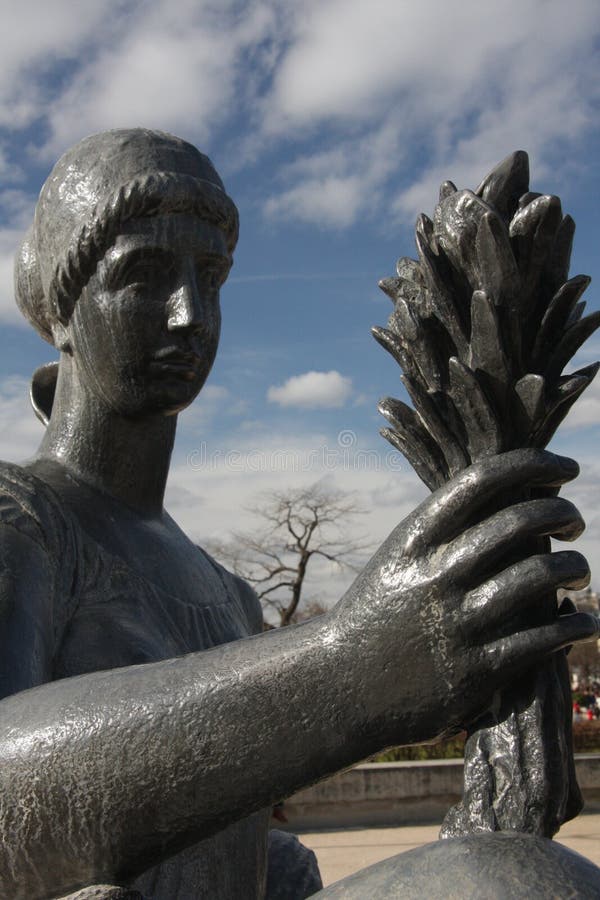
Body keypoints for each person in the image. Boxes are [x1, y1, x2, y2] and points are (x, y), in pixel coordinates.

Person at [0, 129, 596, 899]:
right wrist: (353, 667)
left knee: (518, 878)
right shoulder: (23, 520)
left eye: (210, 277)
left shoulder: (226, 596)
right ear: (60, 308)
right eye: (143, 274)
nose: (189, 314)